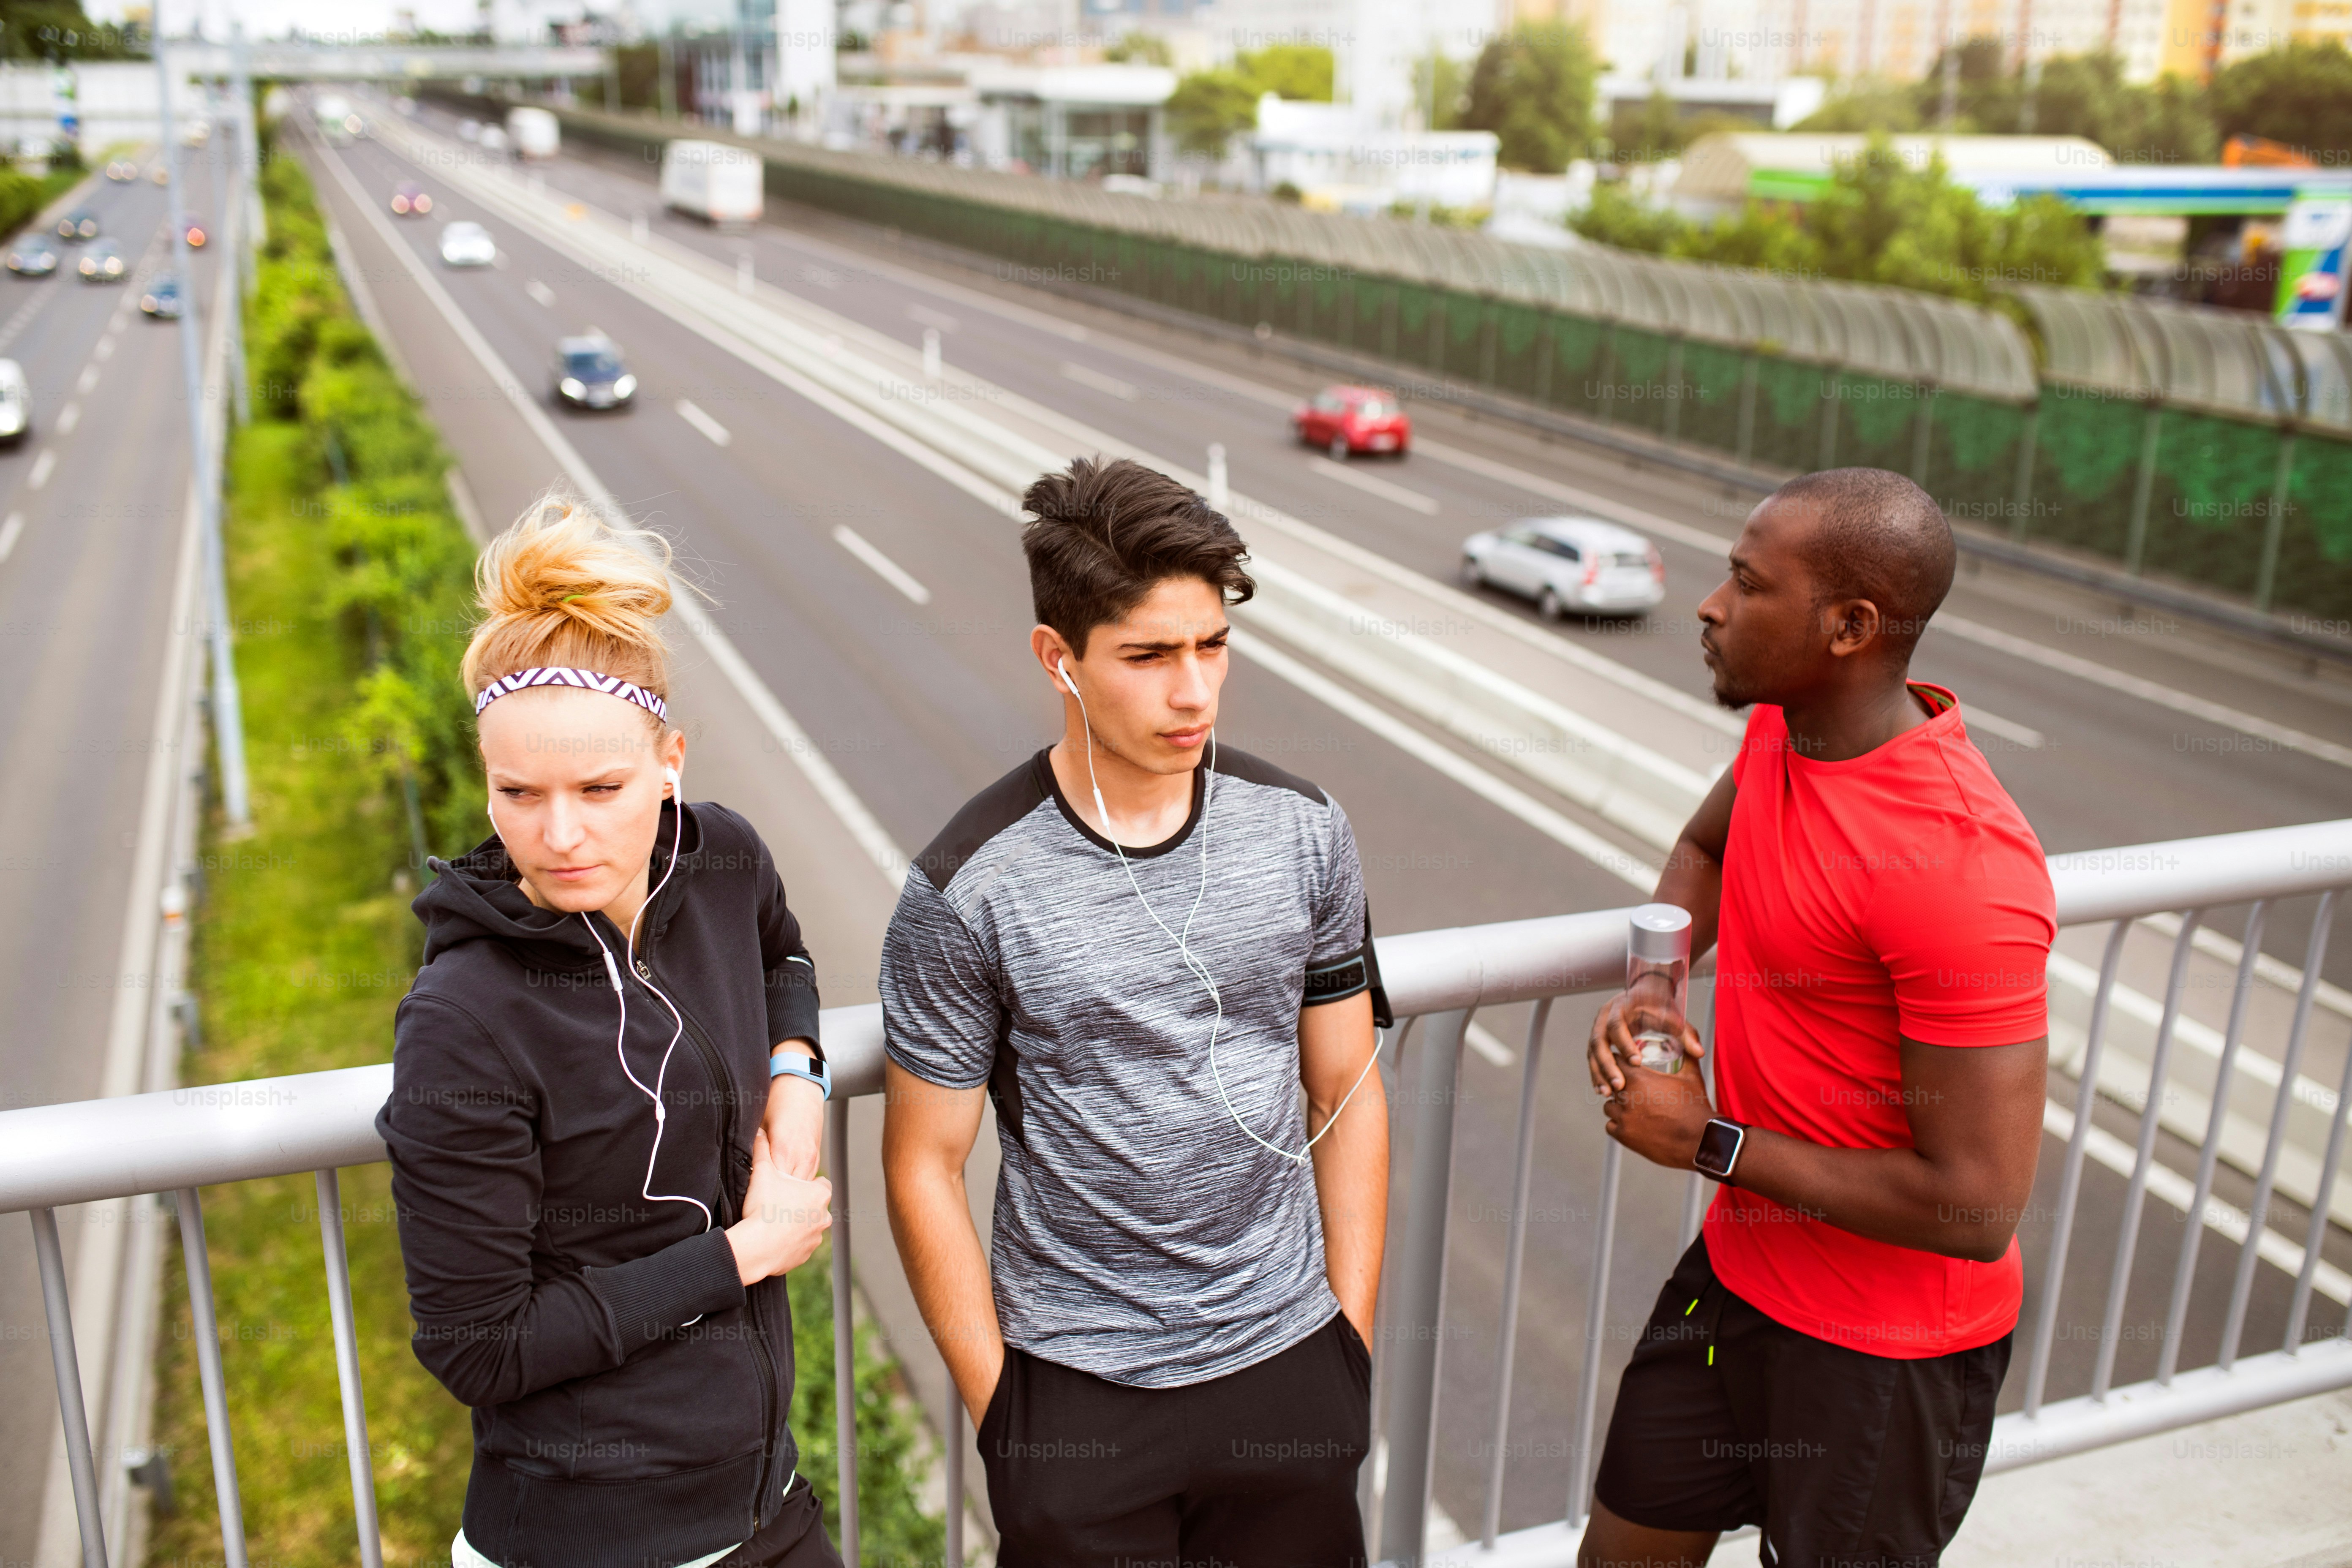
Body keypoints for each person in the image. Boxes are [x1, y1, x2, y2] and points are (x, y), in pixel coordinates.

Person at [880, 456, 1391, 1565]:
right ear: (1056, 660)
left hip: (1288, 1367)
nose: (1193, 691)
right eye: (1149, 657)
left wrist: (1345, 1344)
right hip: (1080, 1398)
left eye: (1212, 646)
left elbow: (1345, 1088)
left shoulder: (1304, 833)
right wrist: (1005, 1418)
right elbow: (924, 1163)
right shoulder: (971, 887)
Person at [1579, 469, 2056, 1568]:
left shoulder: (1959, 867)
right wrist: (1659, 978)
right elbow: (1705, 847)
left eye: (1747, 584)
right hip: (1736, 1284)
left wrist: (1706, 1141)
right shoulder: (1787, 735)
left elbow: (1978, 1208)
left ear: (1848, 627)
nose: (1708, 605)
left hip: (1884, 1358)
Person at [379, 495, 845, 1568]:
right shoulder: (464, 1018)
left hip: (761, 1501)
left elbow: (785, 956)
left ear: (671, 758)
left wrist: (798, 1083)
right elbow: (475, 1343)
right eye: (518, 791)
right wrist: (741, 1253)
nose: (562, 832)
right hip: (585, 1536)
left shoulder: (721, 859)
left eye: (602, 786)